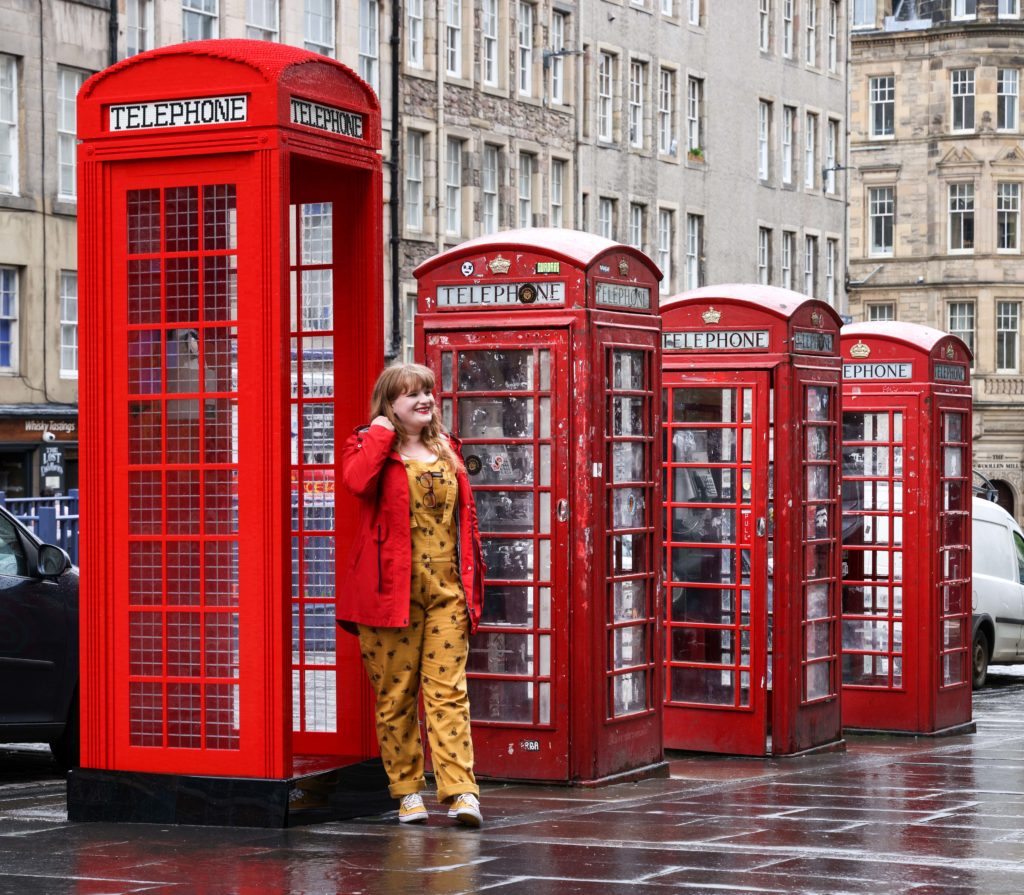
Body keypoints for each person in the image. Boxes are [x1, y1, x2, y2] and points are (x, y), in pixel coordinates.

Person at [338, 362, 486, 827]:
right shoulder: (366, 445)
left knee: (449, 694)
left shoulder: (447, 449)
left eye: (427, 392)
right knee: (397, 697)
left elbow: (464, 521)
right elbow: (357, 483)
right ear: (389, 405)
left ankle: (461, 791)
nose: (425, 400)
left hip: (446, 590)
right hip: (388, 594)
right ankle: (406, 792)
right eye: (411, 394)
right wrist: (382, 433)